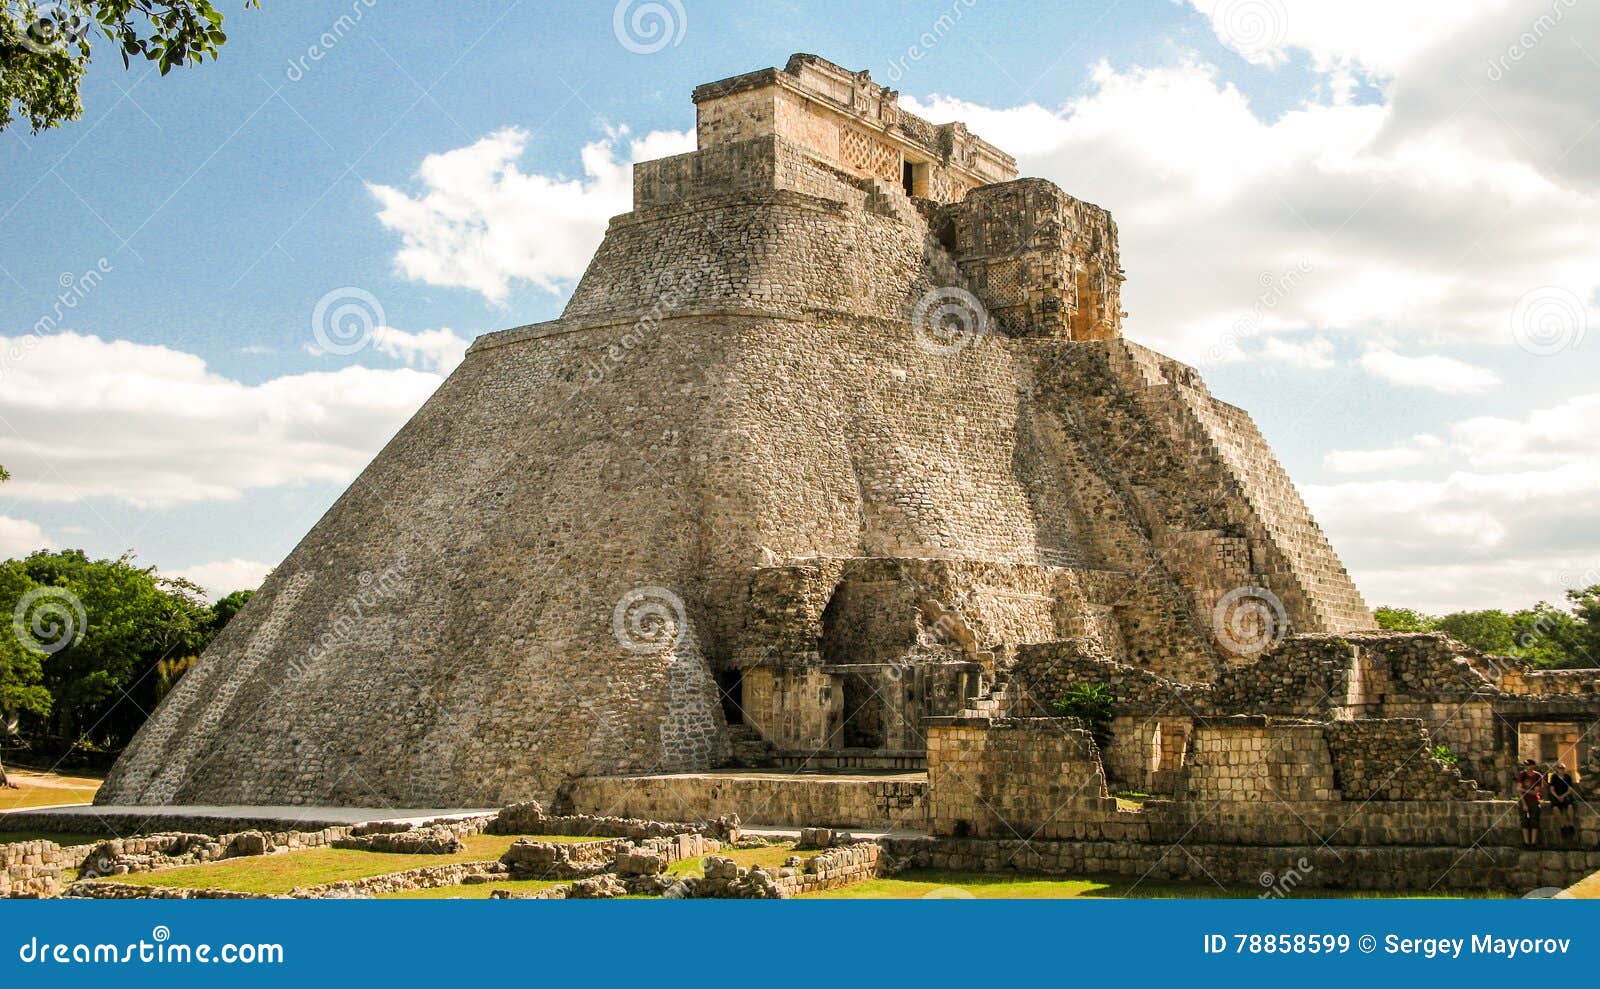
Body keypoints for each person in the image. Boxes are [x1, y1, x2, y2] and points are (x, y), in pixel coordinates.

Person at [1546, 762, 1578, 845]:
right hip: (1556, 795)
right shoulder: (1553, 777)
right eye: (1560, 768)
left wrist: (1563, 796)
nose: (1562, 770)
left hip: (1565, 795)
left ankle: (1571, 824)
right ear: (1557, 769)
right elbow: (1552, 789)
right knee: (1555, 808)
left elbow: (1570, 789)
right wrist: (1557, 797)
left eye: (1563, 768)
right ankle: (1562, 825)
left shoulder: (1567, 777)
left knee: (1570, 806)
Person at [1516, 759, 1545, 848]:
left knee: (1534, 821)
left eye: (1528, 765)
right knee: (1524, 821)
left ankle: (1533, 842)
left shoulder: (1537, 776)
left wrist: (1524, 790)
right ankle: (1526, 842)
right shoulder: (1522, 775)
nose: (1527, 767)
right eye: (1526, 766)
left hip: (1534, 801)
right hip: (1524, 800)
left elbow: (1535, 792)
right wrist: (1524, 803)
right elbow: (1519, 790)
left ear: (1533, 766)